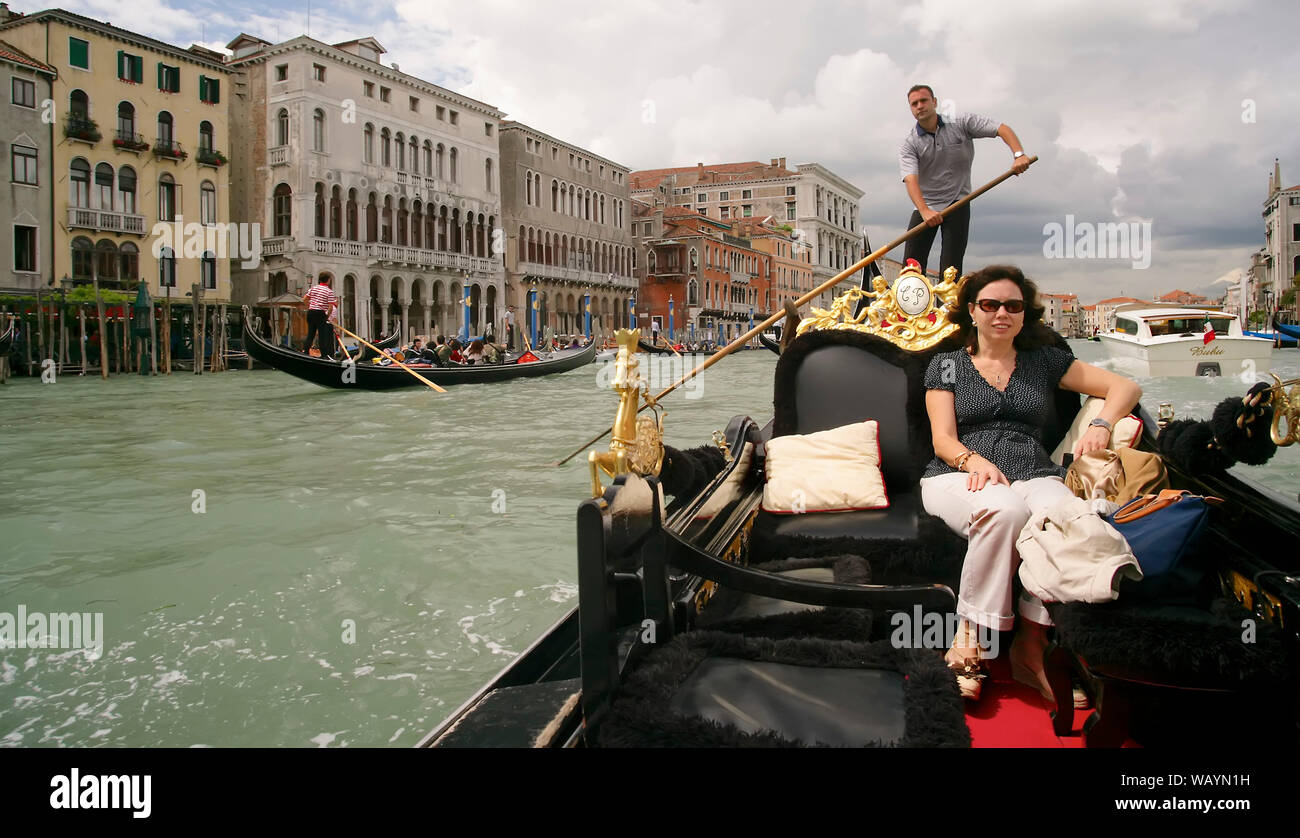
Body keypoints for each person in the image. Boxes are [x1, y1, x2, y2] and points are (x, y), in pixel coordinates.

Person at [920, 265, 1141, 702]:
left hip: (1034, 471)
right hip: (957, 474)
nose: (1001, 313)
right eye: (990, 304)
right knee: (1005, 510)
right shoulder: (946, 365)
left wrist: (1101, 422)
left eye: (1012, 305)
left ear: (1023, 314)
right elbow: (943, 439)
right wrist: (973, 460)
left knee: (1065, 518)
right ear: (973, 311)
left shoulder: (1044, 362)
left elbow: (1124, 386)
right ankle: (969, 639)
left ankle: (1031, 646)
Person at [900, 85, 1031, 279]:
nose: (920, 106)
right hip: (925, 205)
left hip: (958, 202)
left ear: (934, 102)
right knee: (911, 267)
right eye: (914, 104)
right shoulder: (910, 143)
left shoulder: (961, 122)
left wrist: (1019, 154)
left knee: (951, 268)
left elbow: (1001, 129)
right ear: (911, 109)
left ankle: (950, 308)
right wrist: (925, 210)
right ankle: (910, 309)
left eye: (924, 101)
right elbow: (911, 179)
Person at [301, 276, 337, 357]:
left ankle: (306, 352)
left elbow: (304, 299)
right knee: (322, 335)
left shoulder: (313, 288)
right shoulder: (329, 291)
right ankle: (324, 355)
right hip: (320, 313)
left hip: (311, 312)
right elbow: (331, 307)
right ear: (328, 280)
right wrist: (327, 316)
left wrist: (310, 306)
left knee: (311, 334)